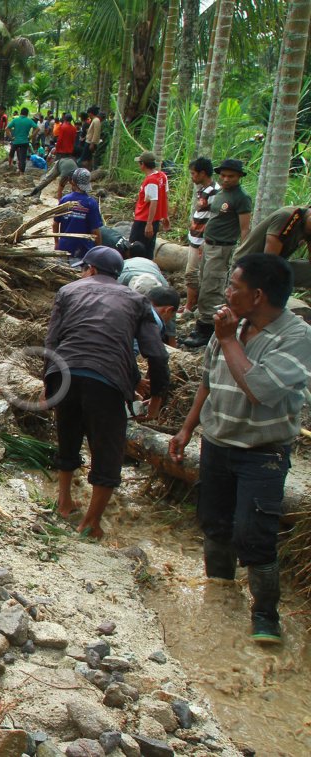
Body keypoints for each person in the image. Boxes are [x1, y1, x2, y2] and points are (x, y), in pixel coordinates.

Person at [168, 255, 311, 644]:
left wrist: (230, 339)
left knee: (254, 534)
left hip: (263, 452)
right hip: (217, 442)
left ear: (258, 295)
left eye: (234, 286)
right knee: (214, 524)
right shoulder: (232, 324)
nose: (227, 292)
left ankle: (265, 615)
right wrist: (186, 429)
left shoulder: (296, 337)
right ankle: (220, 595)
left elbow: (260, 389)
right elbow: (208, 380)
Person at [45, 245, 170, 539]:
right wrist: (157, 397)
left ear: (90, 269)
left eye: (82, 269)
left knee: (68, 435)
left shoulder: (68, 291)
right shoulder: (137, 300)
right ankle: (91, 524)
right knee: (107, 450)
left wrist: (48, 384)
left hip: (64, 373)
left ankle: (64, 503)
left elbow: (52, 342)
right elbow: (156, 354)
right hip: (106, 381)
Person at [183, 159, 253, 348]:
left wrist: (242, 252)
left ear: (239, 177)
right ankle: (204, 322)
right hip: (209, 244)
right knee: (204, 281)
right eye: (223, 175)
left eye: (231, 176)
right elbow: (213, 219)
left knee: (212, 287)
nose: (226, 179)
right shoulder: (221, 193)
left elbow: (245, 229)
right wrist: (204, 242)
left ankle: (206, 329)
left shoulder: (241, 198)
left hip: (223, 248)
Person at [184, 157, 216, 315]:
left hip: (201, 239)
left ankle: (190, 307)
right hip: (195, 237)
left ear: (203, 173)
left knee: (192, 273)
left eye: (193, 173)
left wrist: (205, 240)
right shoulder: (205, 190)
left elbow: (214, 218)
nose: (192, 177)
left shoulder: (214, 191)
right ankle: (193, 304)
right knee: (194, 272)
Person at [54, 168, 103, 261]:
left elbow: (55, 224)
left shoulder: (64, 200)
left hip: (64, 247)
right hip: (83, 250)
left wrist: (57, 243)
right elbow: (96, 231)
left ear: (73, 182)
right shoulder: (91, 203)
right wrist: (99, 250)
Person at [129, 151, 170, 260]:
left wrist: (148, 224)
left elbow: (154, 202)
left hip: (143, 221)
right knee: (149, 248)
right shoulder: (162, 176)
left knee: (134, 248)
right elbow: (165, 196)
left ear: (143, 164)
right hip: (154, 220)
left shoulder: (151, 181)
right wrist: (165, 215)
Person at [236, 205, 311, 258]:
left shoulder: (306, 223)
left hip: (270, 264)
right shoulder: (287, 217)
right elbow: (269, 259)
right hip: (247, 266)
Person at [7, 108, 36, 173]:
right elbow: (37, 129)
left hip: (16, 141)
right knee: (23, 158)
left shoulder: (15, 120)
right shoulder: (29, 120)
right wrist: (31, 137)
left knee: (11, 153)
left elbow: (7, 128)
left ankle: (9, 165)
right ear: (27, 114)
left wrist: (11, 137)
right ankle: (21, 172)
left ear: (20, 113)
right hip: (25, 141)